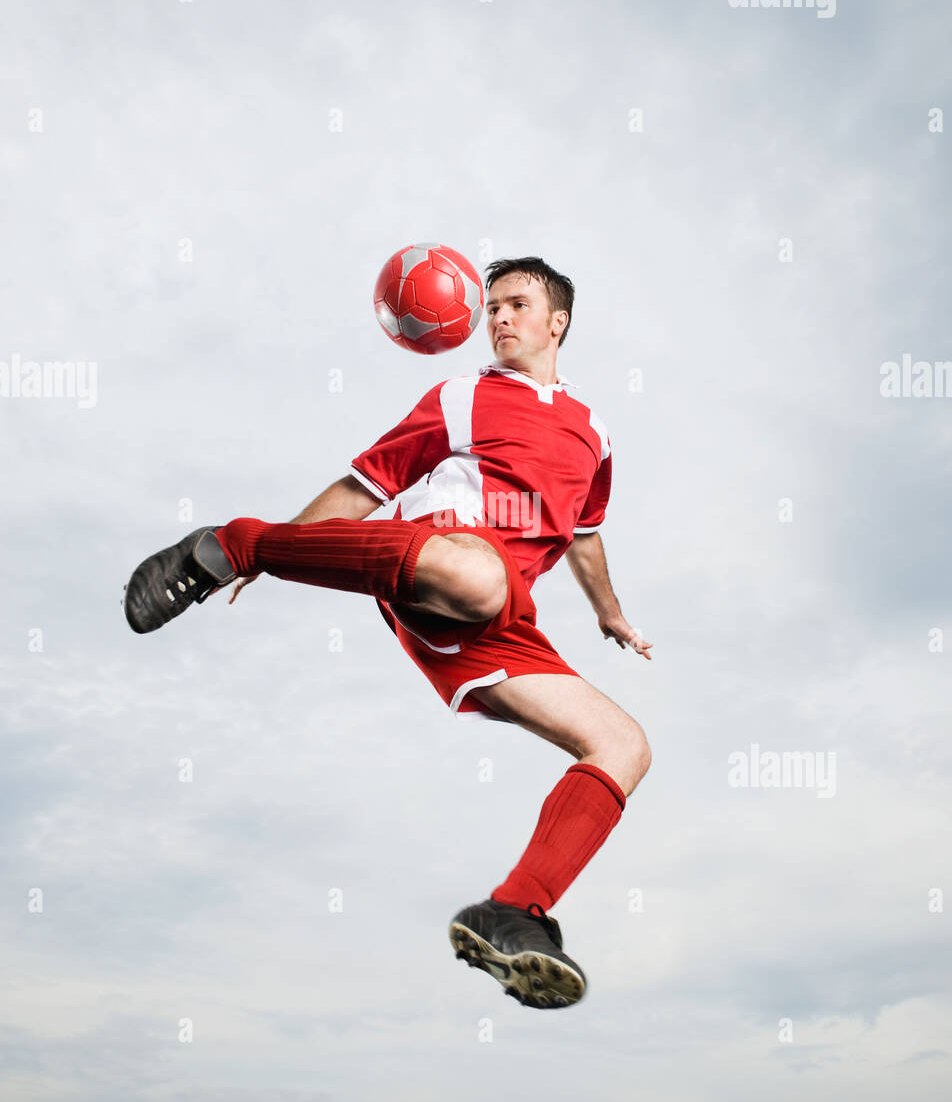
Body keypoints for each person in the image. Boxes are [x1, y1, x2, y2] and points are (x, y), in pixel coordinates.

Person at [123, 256, 652, 1009]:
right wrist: (278, 548)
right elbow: (362, 485)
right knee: (478, 577)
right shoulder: (461, 395)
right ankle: (233, 542)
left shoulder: (593, 436)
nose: (498, 319)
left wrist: (609, 614)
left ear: (556, 321)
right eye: (491, 307)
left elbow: (585, 536)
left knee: (624, 744)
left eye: (516, 305)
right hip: (443, 560)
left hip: (502, 617)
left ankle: (513, 912)